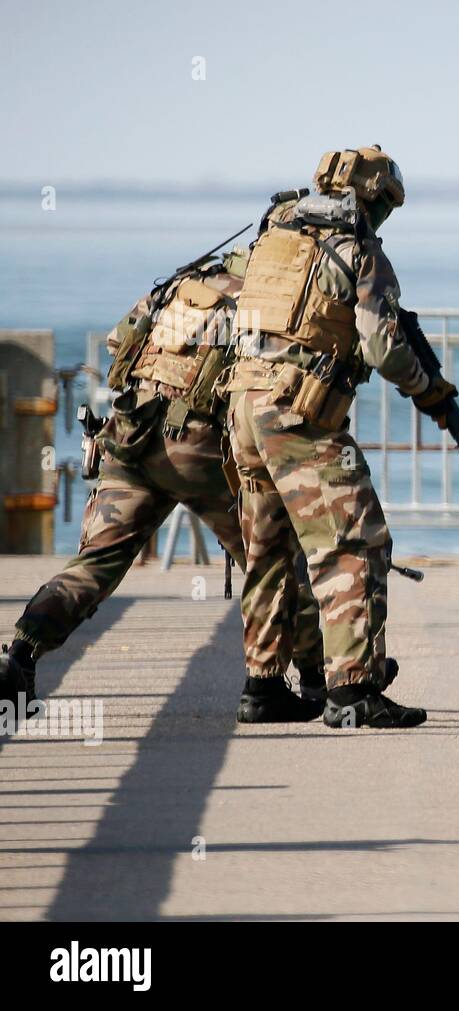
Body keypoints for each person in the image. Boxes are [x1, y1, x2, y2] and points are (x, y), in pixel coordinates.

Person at [0, 246, 325, 723]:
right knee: (272, 558)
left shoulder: (181, 286)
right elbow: (266, 389)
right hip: (196, 447)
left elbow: (119, 346)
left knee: (94, 566)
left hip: (131, 435)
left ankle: (20, 655)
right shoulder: (261, 298)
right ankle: (319, 678)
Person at [224, 145, 458, 729]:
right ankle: (353, 692)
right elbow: (382, 347)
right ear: (374, 199)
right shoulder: (359, 248)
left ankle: (262, 686)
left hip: (244, 407)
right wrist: (427, 388)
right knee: (355, 540)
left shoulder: (273, 233)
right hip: (299, 413)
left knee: (269, 549)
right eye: (385, 207)